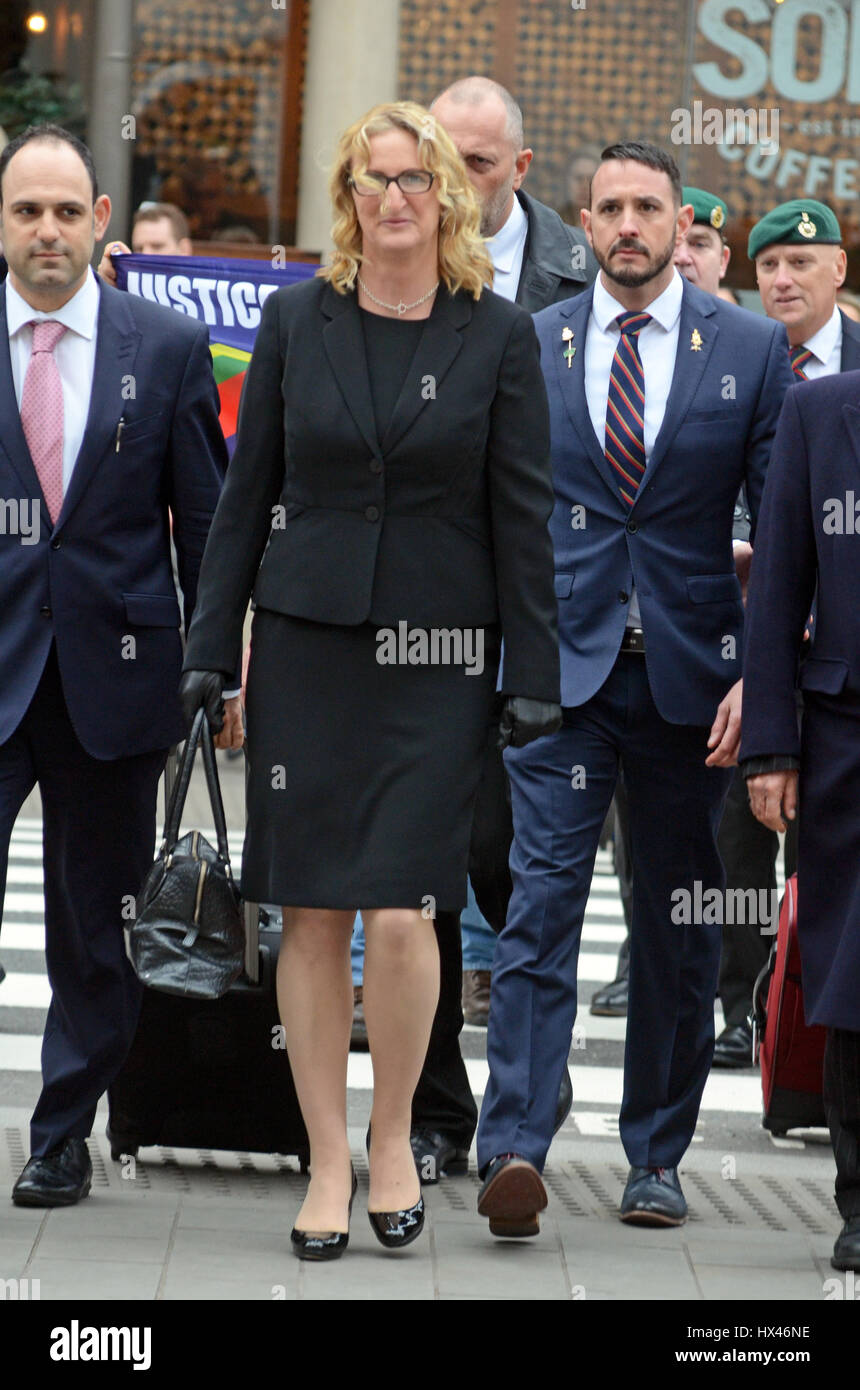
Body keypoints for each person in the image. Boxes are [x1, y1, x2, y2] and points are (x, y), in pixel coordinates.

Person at [179, 100, 561, 1259]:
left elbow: (522, 513)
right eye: (370, 178)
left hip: (440, 658)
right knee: (309, 908)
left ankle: (393, 1134)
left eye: (412, 179)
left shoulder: (493, 334)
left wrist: (531, 668)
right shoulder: (298, 319)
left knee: (404, 909)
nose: (392, 198)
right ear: (346, 197)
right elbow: (247, 494)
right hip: (309, 644)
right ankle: (328, 1159)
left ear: (444, 195)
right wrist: (207, 645)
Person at [475, 141, 794, 1238]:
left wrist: (761, 680)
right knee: (537, 911)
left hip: (690, 689)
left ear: (675, 225)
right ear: (584, 218)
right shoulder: (534, 342)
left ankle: (654, 1156)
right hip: (558, 679)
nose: (625, 223)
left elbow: (783, 539)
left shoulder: (747, 353)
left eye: (645, 207)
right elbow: (499, 513)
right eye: (607, 205)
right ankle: (513, 1141)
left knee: (675, 927)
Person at [348, 75, 597, 1185]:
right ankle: (444, 1108)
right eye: (428, 155)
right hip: (410, 623)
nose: (441, 180)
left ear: (517, 171)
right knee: (424, 871)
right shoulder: (382, 268)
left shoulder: (574, 280)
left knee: (514, 865)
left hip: (534, 613)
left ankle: (528, 1077)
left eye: (473, 164)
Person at [0, 124, 230, 1207]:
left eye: (64, 210)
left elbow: (209, 524)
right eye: (23, 210)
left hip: (117, 682)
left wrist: (218, 668)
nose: (45, 230)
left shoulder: (167, 347)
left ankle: (62, 1133)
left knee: (97, 929)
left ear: (100, 220)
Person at [740, 370, 860, 1273]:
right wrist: (771, 746)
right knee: (853, 978)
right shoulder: (822, 412)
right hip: (847, 736)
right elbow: (779, 583)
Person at [95, 201, 192, 287]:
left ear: (184, 249)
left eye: (157, 246)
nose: (145, 254)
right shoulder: (123, 292)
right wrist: (104, 288)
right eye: (139, 249)